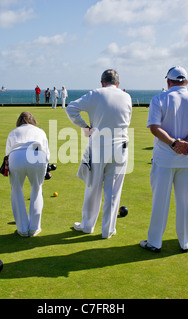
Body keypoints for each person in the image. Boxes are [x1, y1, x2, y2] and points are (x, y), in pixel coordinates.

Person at [140, 66, 188, 253]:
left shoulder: (159, 99)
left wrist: (175, 144)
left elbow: (154, 127)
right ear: (186, 82)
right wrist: (185, 143)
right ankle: (186, 242)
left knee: (160, 202)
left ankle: (154, 242)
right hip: (186, 160)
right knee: (186, 201)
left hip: (164, 159)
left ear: (168, 81)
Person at [65, 69, 132, 239]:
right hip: (120, 146)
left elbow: (71, 108)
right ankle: (108, 230)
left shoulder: (96, 94)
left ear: (102, 82)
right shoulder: (127, 97)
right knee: (113, 190)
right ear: (118, 83)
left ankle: (87, 225)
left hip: (98, 146)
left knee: (93, 186)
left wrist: (85, 127)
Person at [6, 112, 50, 237]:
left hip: (16, 156)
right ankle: (34, 228)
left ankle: (23, 229)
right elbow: (47, 153)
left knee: (16, 190)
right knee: (37, 189)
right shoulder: (40, 131)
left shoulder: (13, 132)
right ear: (33, 121)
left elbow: (7, 153)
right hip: (37, 155)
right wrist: (45, 169)